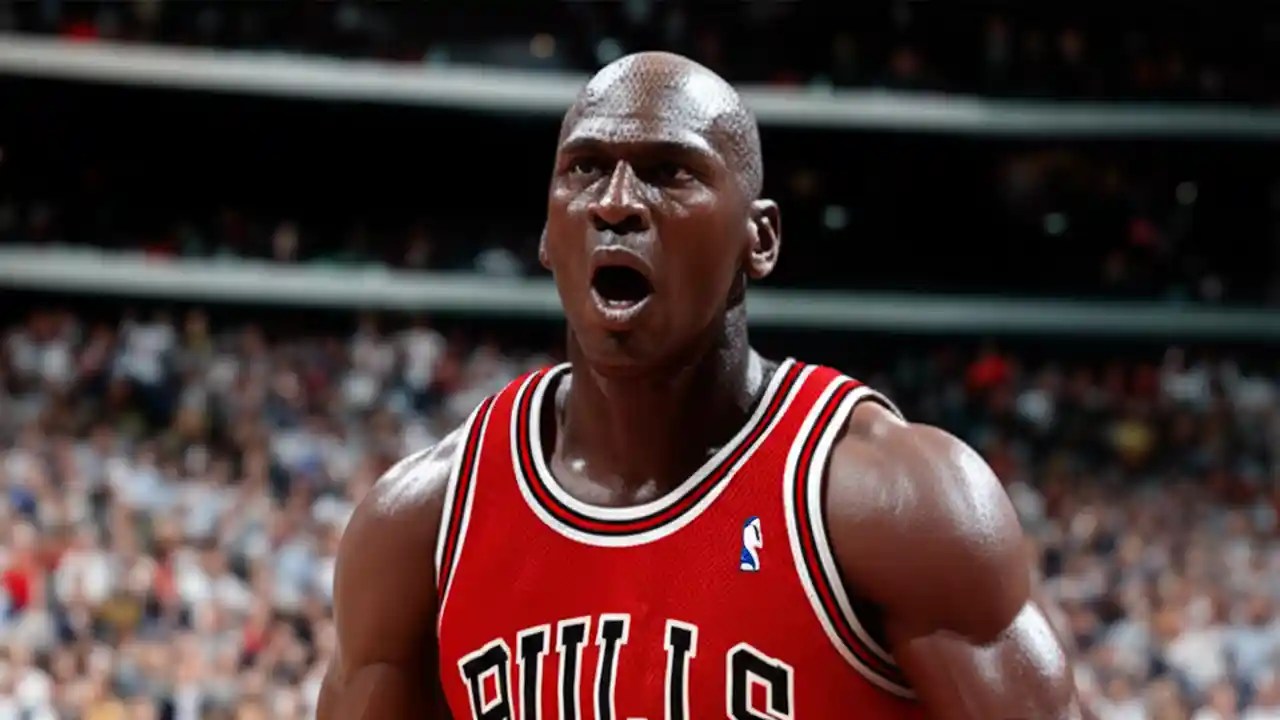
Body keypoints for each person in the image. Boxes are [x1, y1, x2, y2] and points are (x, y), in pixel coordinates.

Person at [318, 51, 1081, 719]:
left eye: (668, 173)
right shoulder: (422, 527)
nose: (616, 203)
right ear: (550, 235)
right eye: (584, 169)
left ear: (761, 237)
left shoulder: (897, 501)